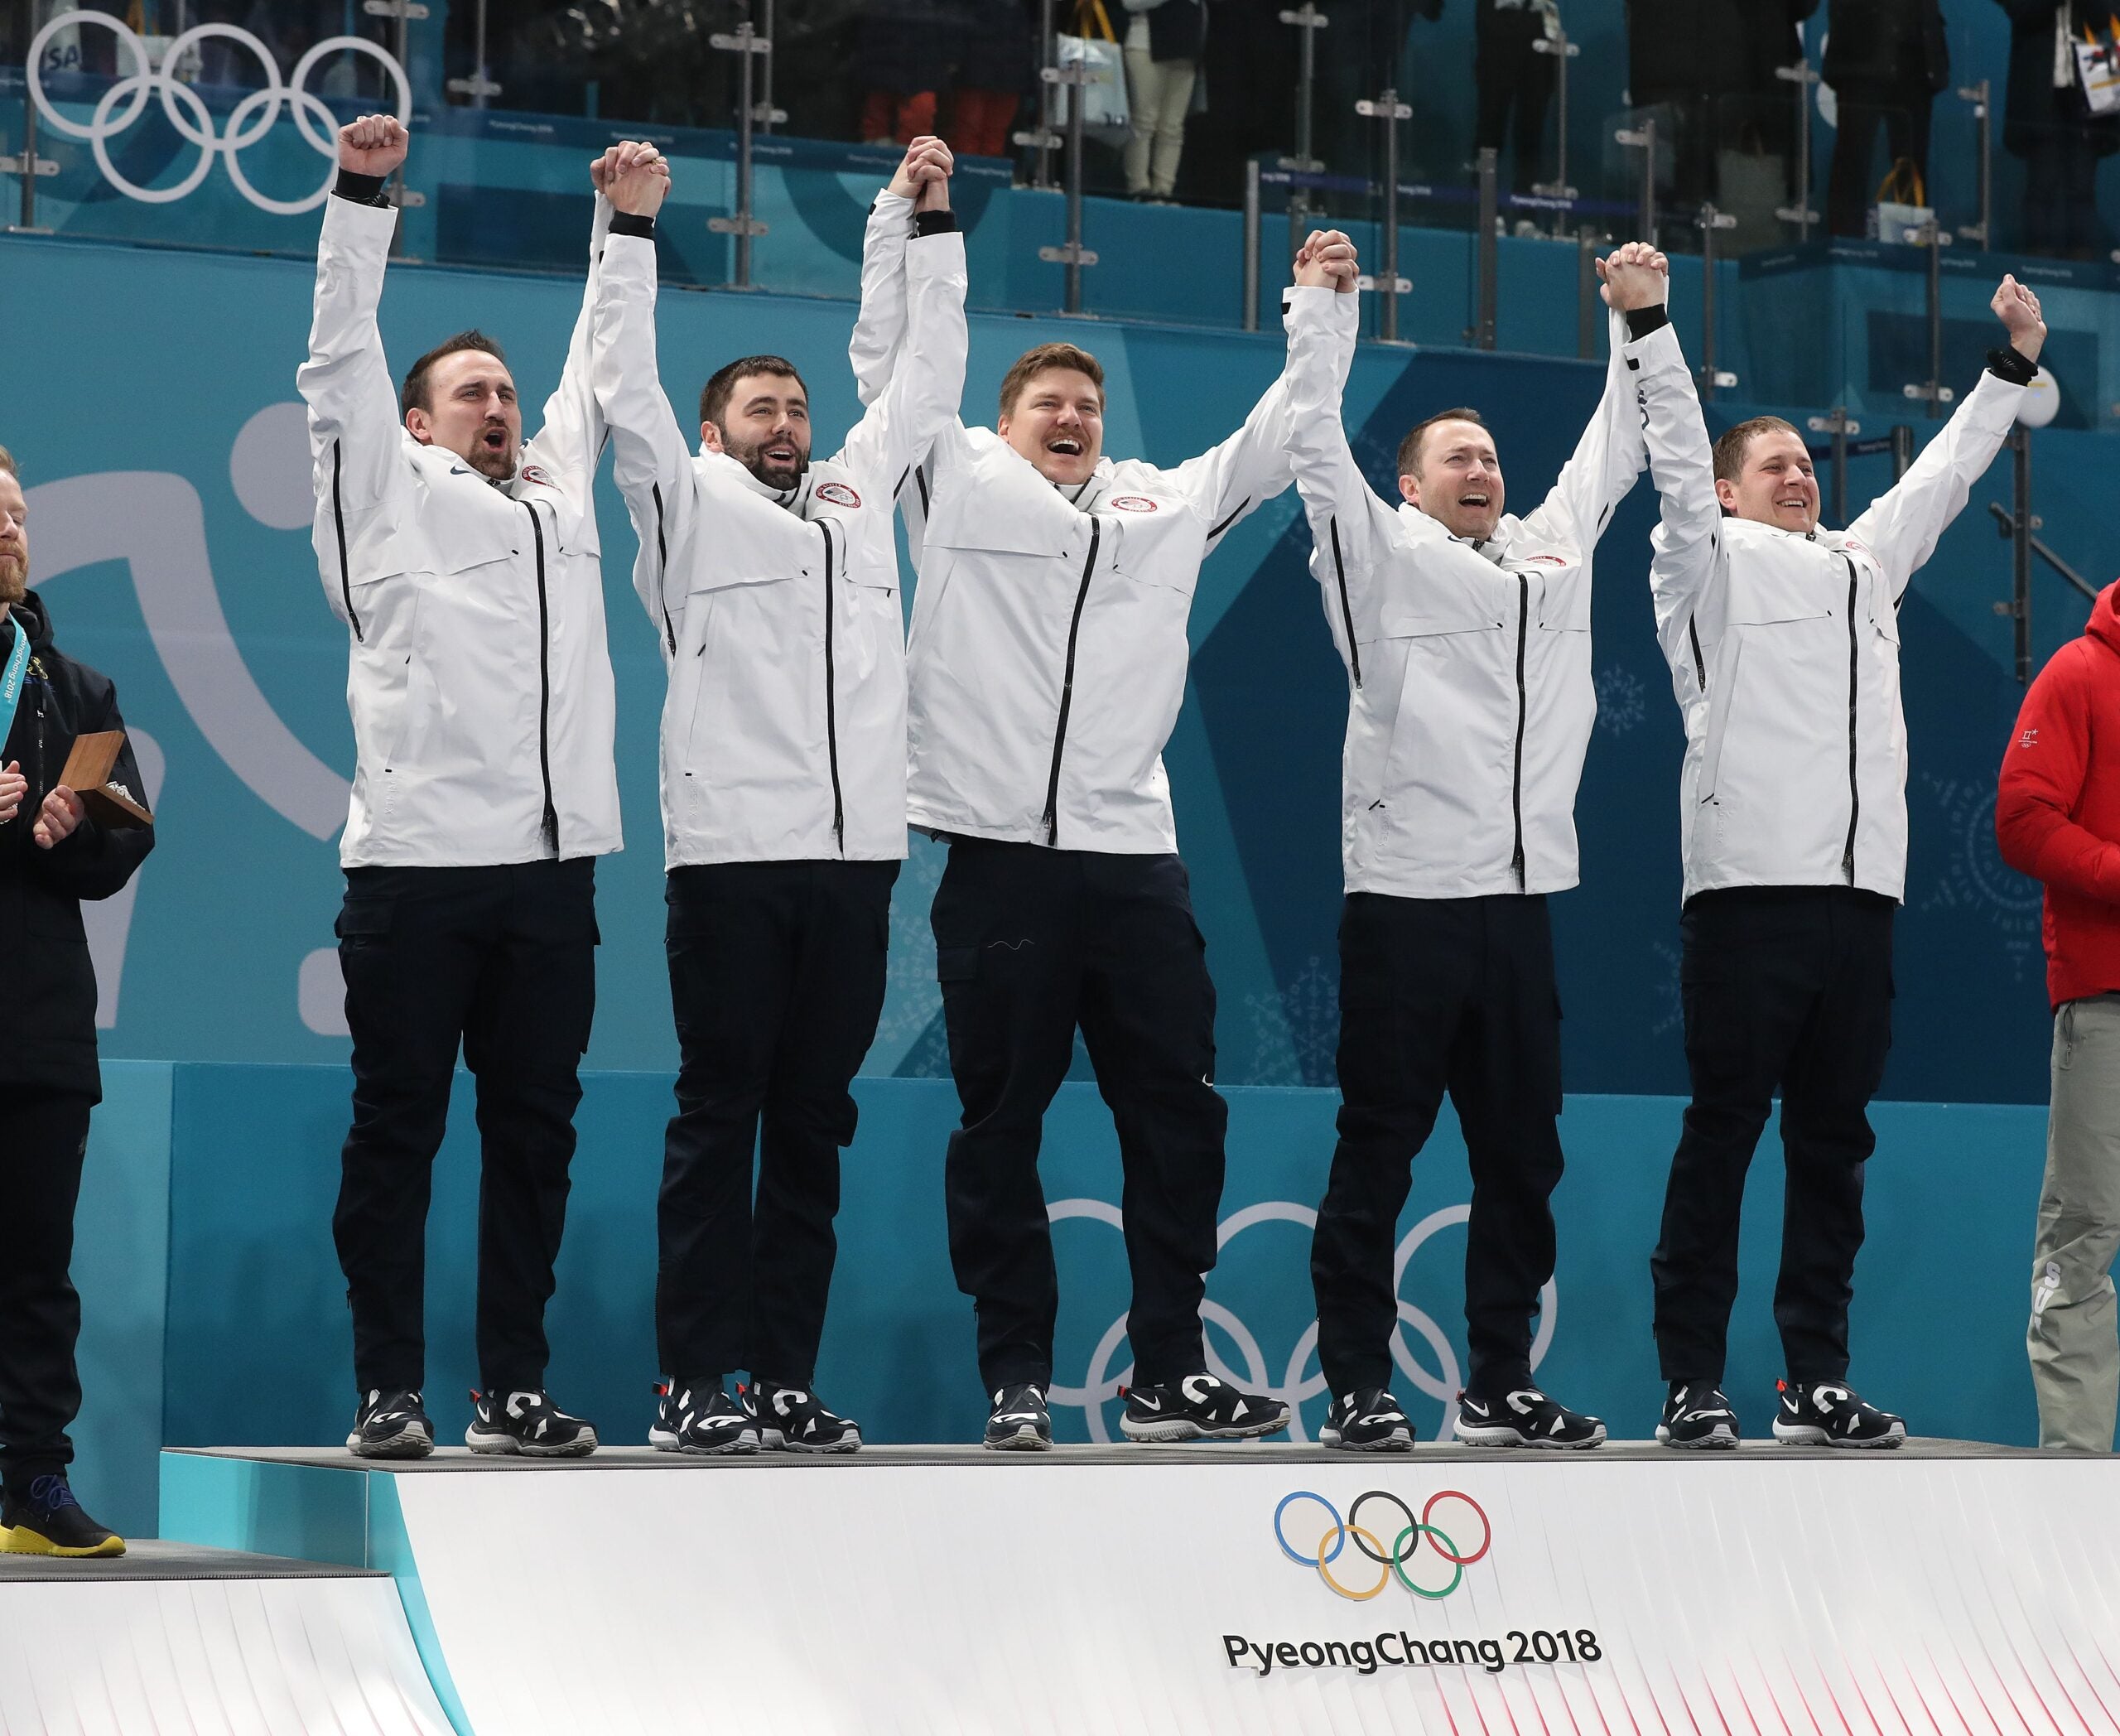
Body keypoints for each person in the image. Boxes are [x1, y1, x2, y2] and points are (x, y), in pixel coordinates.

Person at [860, 255, 1298, 1454]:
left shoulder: (1158, 506)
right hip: (1000, 860)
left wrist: (1319, 306)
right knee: (1000, 1124)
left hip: (1136, 860)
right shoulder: (952, 480)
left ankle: (1170, 1371)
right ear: (1001, 426)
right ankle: (1016, 1373)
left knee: (1180, 1117)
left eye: (1087, 407)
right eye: (1047, 402)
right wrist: (920, 229)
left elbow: (1277, 441)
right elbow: (892, 366)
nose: (1071, 417)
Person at [590, 138, 968, 1454]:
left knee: (813, 1128)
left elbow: (924, 379)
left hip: (858, 865)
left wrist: (923, 222)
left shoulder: (860, 502)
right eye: (760, 408)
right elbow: (620, 390)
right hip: (735, 862)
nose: (786, 425)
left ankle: (784, 1379)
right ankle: (696, 1381)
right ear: (712, 433)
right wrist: (628, 232)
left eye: (796, 408)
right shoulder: (684, 508)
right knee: (720, 1118)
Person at [1285, 231, 1684, 1452]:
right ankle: (1358, 1381)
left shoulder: (1552, 556)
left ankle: (1497, 1383)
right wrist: (1321, 308)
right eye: (1456, 454)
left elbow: (1617, 450)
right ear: (1407, 485)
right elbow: (1311, 443)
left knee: (1524, 1163)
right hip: (1406, 904)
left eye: (1492, 454)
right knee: (1380, 1156)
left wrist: (1642, 319)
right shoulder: (1380, 557)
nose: (1483, 466)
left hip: (1519, 912)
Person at [1638, 272, 2046, 1449]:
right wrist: (1651, 330)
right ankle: (1690, 1381)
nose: (1800, 474)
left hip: (1861, 903)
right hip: (1748, 895)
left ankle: (1815, 1376)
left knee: (1835, 1146)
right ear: (1723, 493)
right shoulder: (1701, 563)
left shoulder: (1866, 565)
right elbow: (1671, 452)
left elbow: (1944, 475)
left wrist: (2010, 363)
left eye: (1805, 463)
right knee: (1724, 1133)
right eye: (1772, 465)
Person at [299, 115, 623, 1462]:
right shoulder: (383, 488)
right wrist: (360, 198)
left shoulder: (556, 497)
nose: (500, 405)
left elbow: (601, 373)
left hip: (552, 875)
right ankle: (390, 1386)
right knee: (401, 1136)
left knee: (536, 1141)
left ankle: (512, 1385)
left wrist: (629, 229)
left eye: (507, 390)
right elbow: (336, 360)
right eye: (472, 393)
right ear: (419, 422)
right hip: (418, 872)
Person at [0, 447, 155, 1560]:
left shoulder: (80, 689)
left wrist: (66, 828)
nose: (10, 531)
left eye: (16, 514)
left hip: (39, 1019)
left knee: (35, 1271)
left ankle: (32, 1485)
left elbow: (126, 838)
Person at [1996, 582, 2120, 1453]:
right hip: (2107, 1001)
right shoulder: (2079, 672)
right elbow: (2022, 818)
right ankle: (2076, 1475)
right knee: (2082, 1236)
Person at [1995, 0, 2120, 257]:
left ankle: (2082, 257)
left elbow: (2107, 15)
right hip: (2040, 91)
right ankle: (2037, 260)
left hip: (2087, 90)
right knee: (2042, 182)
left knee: (2082, 183)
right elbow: (2021, 11)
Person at [1823, 0, 1950, 238]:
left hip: (1917, 55)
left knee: (1912, 162)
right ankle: (1845, 244)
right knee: (1854, 156)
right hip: (1863, 48)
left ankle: (1911, 242)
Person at [1474, 0, 1560, 198]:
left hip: (1538, 57)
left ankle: (1526, 212)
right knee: (1490, 132)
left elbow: (1550, 15)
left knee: (1531, 135)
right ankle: (1486, 209)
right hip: (1497, 52)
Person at [1121, 0, 1204, 202]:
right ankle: (1139, 188)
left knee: (1173, 126)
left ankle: (1164, 190)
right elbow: (1129, 3)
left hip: (1184, 45)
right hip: (1144, 45)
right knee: (1143, 121)